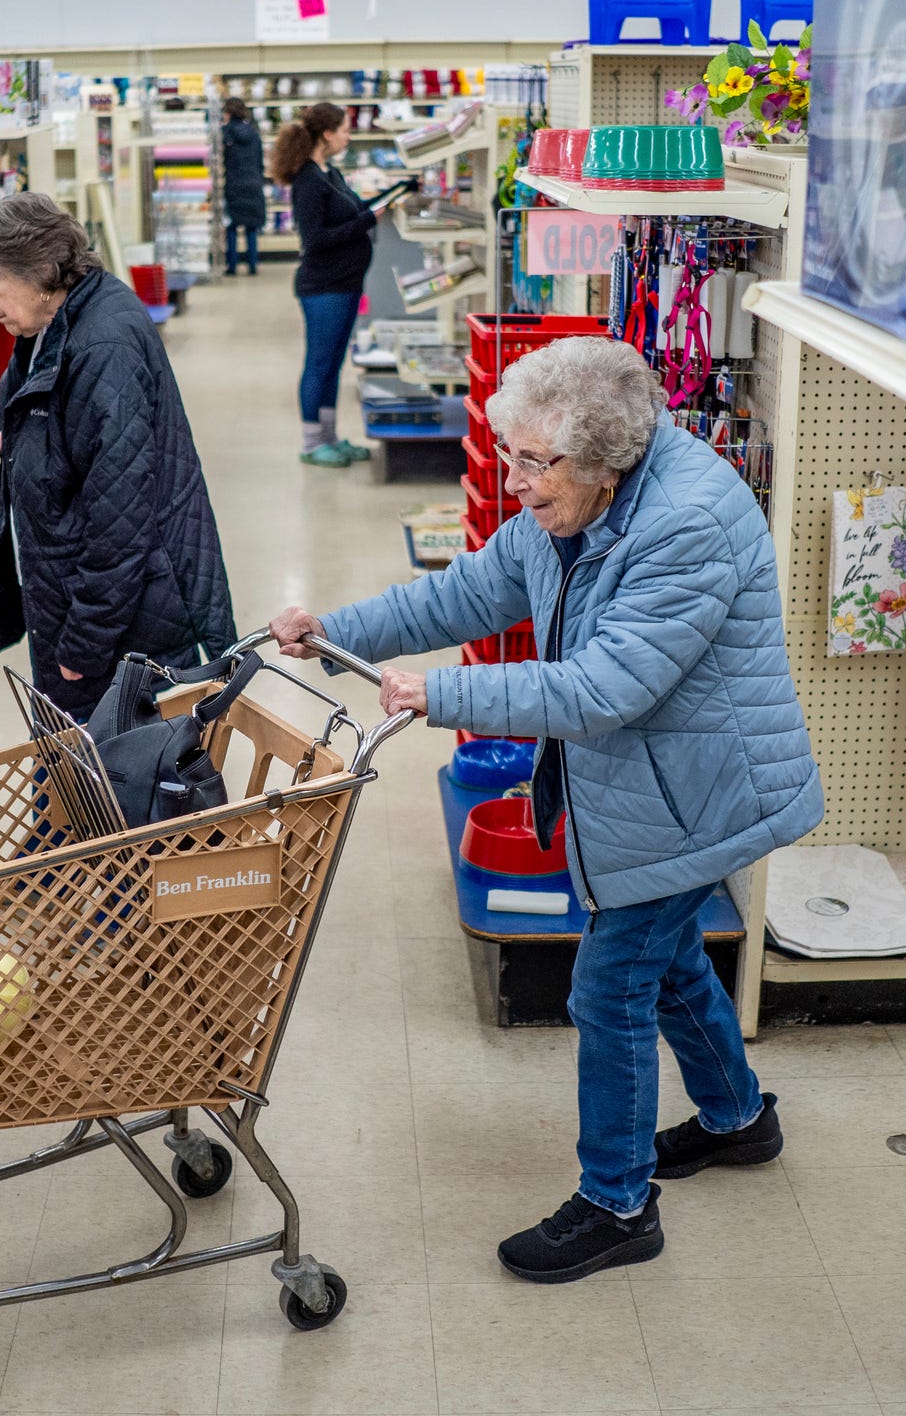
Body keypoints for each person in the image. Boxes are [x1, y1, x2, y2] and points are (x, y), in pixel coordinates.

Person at [268, 336, 822, 1284]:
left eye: (534, 462)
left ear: (605, 461)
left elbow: (607, 689)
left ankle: (618, 1203)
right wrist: (338, 633)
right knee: (668, 953)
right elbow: (474, 590)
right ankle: (738, 1118)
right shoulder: (574, 501)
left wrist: (443, 697)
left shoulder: (685, 524)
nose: (515, 483)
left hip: (696, 796)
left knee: (608, 990)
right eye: (511, 456)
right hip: (654, 787)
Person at [0, 190, 235, 719]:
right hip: (82, 608)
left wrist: (84, 642)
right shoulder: (52, 323)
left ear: (40, 270)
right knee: (79, 783)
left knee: (118, 786)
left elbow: (120, 519)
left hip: (124, 632)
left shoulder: (103, 349)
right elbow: (48, 418)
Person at [273, 102, 391, 468]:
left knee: (334, 364)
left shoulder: (331, 173)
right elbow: (316, 238)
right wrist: (368, 219)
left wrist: (384, 201)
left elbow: (354, 211)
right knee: (319, 364)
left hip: (345, 283)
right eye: (344, 129)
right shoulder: (308, 180)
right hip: (324, 287)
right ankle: (311, 443)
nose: (349, 135)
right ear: (327, 134)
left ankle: (330, 437)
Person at [219, 97, 266, 277]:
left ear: (228, 113)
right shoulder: (254, 133)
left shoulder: (225, 133)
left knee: (232, 225)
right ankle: (253, 265)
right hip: (253, 182)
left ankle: (232, 266)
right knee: (251, 227)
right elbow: (260, 160)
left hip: (234, 182)